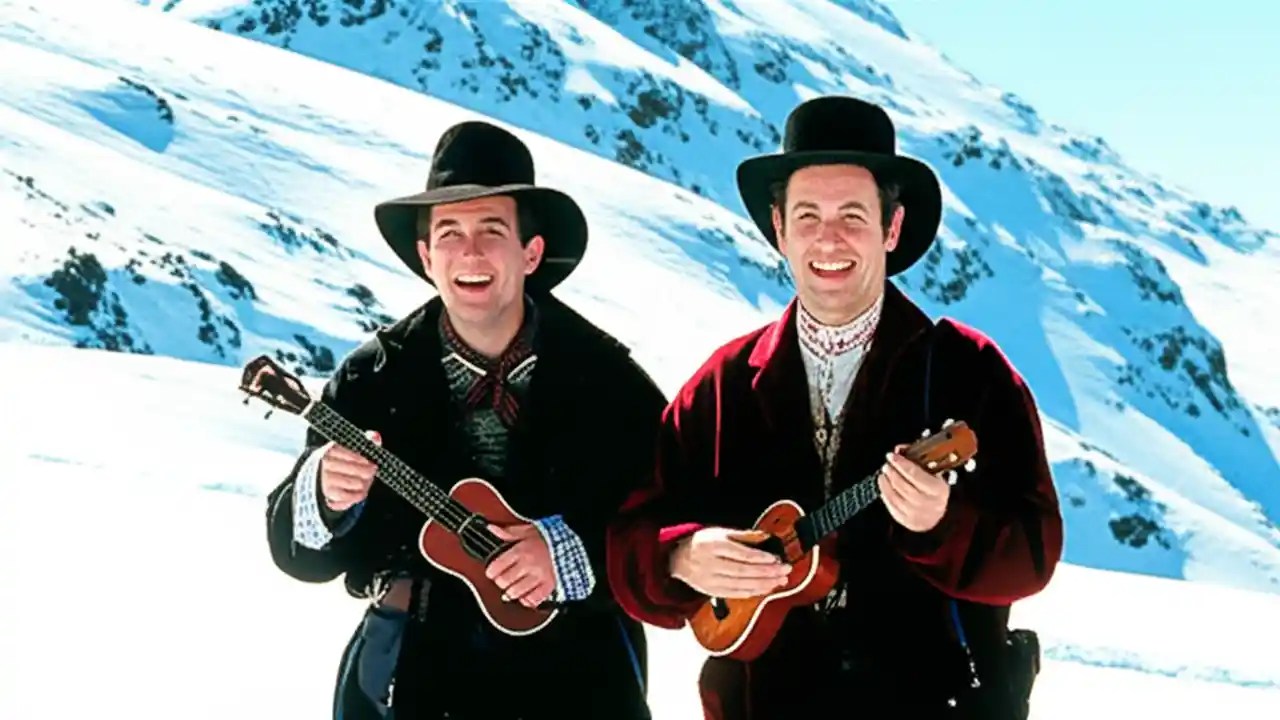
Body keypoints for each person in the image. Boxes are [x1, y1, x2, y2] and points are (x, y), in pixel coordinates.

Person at [605, 95, 1064, 719]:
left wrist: (944, 524)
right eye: (807, 215)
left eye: (853, 214)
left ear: (891, 228)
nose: (829, 238)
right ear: (779, 229)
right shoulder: (724, 384)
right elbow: (631, 539)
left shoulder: (968, 370)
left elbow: (1033, 556)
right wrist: (682, 555)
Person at [264, 120, 664, 720]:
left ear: (531, 252)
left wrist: (568, 550)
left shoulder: (607, 379)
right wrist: (323, 495)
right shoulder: (371, 379)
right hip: (408, 671)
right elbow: (302, 557)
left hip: (577, 674)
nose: (470, 252)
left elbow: (670, 521)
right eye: (449, 233)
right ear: (426, 257)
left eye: (491, 231)